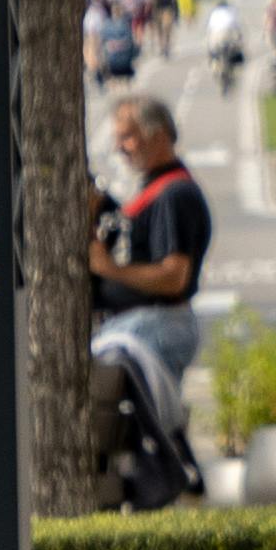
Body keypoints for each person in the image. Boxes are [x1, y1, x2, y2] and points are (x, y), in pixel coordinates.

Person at [88, 92, 212, 386]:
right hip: (140, 324)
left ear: (158, 136)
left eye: (127, 137)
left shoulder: (174, 194)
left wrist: (110, 270)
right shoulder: (153, 189)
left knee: (132, 422)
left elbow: (174, 277)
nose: (119, 148)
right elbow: (135, 236)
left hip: (152, 324)